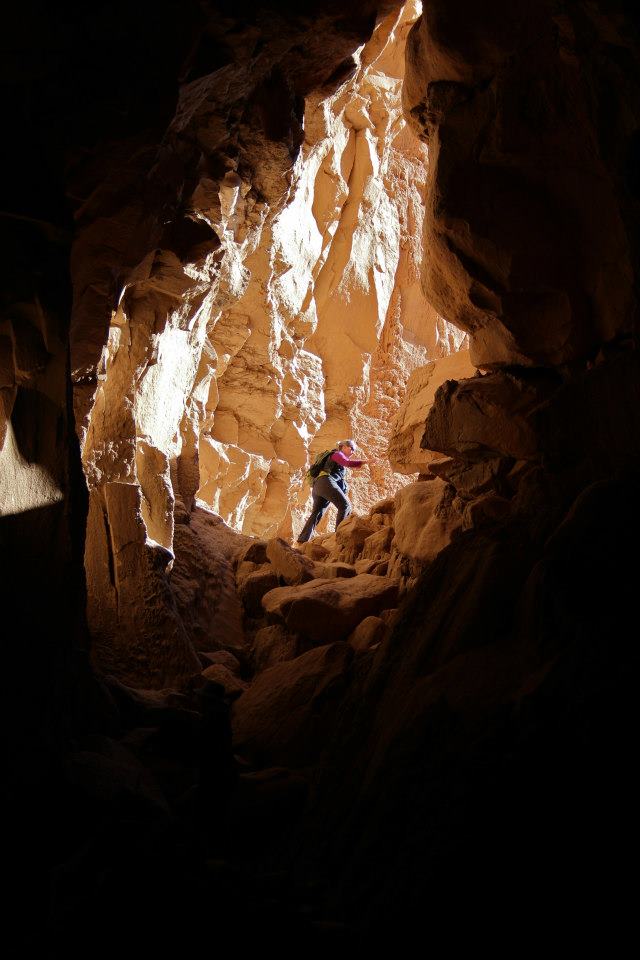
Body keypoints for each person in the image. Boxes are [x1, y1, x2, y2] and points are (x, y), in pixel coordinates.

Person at [296, 439, 368, 544]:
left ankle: (303, 540)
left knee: (317, 513)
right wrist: (366, 461)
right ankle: (339, 537)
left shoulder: (335, 459)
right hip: (325, 482)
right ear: (343, 447)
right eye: (351, 448)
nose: (353, 452)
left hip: (318, 486)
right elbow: (347, 462)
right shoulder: (337, 454)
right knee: (345, 506)